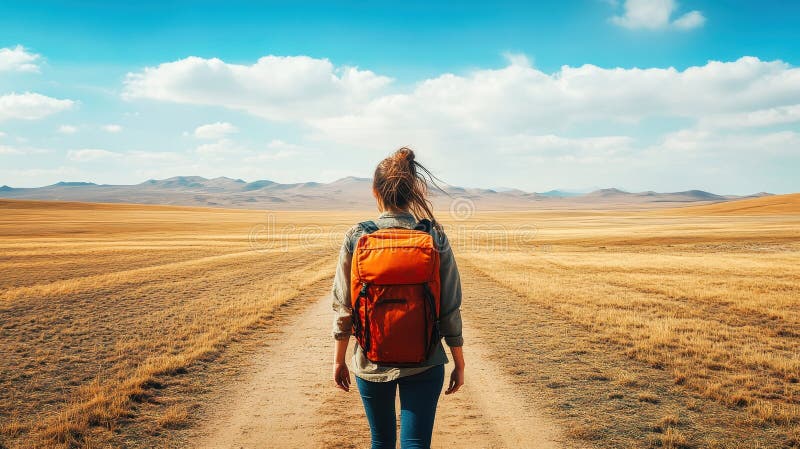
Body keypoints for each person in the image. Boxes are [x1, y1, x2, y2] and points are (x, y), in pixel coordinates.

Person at [331, 147, 466, 449]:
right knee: (416, 443)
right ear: (413, 191)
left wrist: (339, 360)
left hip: (370, 361)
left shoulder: (357, 235)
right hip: (426, 361)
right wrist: (459, 362)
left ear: (375, 191)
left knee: (381, 442)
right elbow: (450, 307)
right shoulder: (434, 236)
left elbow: (343, 306)